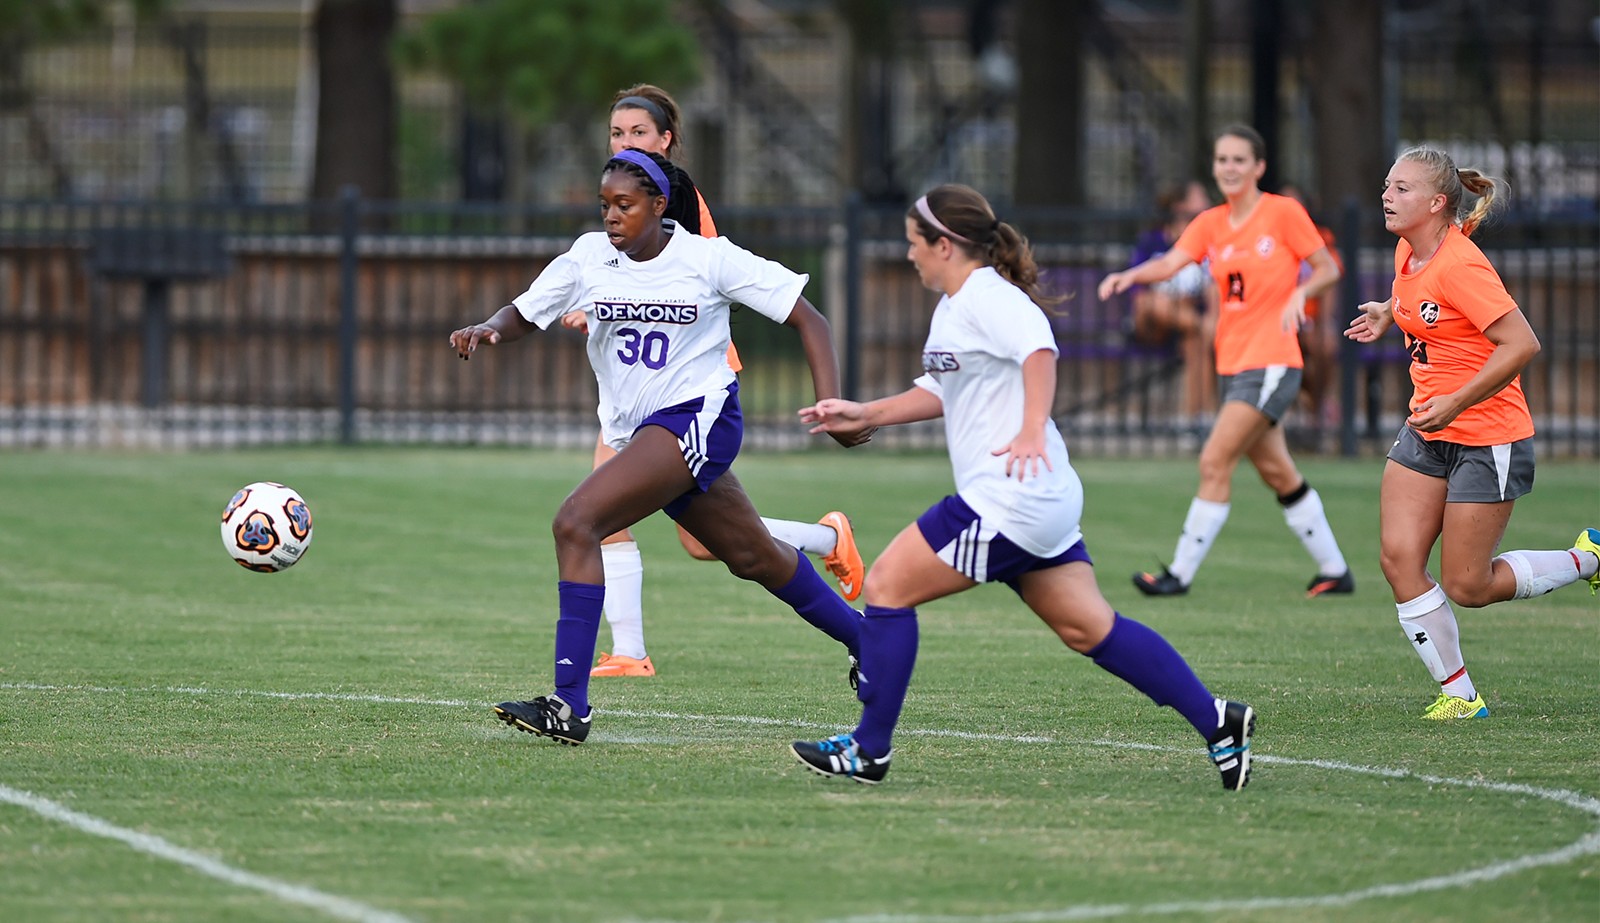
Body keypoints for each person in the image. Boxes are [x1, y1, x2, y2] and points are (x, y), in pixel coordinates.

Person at [791, 184, 1256, 790]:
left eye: (914, 245)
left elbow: (1040, 350)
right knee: (1090, 628)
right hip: (1038, 499)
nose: (910, 256)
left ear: (946, 245)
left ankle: (868, 749)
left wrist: (1033, 425)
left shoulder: (988, 297)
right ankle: (1219, 721)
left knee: (885, 586)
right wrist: (867, 412)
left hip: (1008, 497)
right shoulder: (955, 305)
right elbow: (941, 389)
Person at [450, 149, 867, 745]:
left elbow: (811, 319)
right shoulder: (590, 256)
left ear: (659, 205)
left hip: (699, 417)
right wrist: (489, 328)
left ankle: (569, 708)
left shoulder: (707, 259)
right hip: (644, 433)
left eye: (625, 205)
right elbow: (525, 310)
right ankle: (867, 640)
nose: (612, 217)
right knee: (754, 557)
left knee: (576, 522)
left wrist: (832, 405)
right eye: (605, 205)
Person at [574, 85, 865, 680]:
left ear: (666, 141)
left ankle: (629, 652)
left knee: (594, 510)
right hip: (647, 388)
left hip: (690, 384)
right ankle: (825, 542)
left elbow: (693, 281)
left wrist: (612, 303)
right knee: (709, 543)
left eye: (638, 133)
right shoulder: (622, 192)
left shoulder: (670, 195)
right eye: (616, 134)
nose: (626, 142)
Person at [1344, 147, 1599, 720]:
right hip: (1426, 428)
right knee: (1398, 559)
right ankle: (1460, 695)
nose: (1388, 195)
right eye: (1388, 184)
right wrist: (1390, 310)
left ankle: (1588, 559)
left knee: (1469, 584)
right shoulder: (1409, 247)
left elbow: (1522, 343)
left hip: (1488, 436)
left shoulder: (1463, 263)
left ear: (1436, 203)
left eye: (1402, 189)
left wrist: (1457, 399)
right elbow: (1424, 301)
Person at [1097, 125, 1354, 598]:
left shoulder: (1282, 212)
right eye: (1221, 160)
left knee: (1214, 459)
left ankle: (1179, 574)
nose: (1229, 169)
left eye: (1239, 160)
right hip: (1234, 366)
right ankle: (1335, 571)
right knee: (1278, 472)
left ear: (1259, 167)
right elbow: (1172, 264)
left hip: (1272, 361)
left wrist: (1301, 291)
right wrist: (1129, 275)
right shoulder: (1211, 222)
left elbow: (1328, 268)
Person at [1126, 180, 1216, 427]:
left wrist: (1211, 318)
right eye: (1200, 197)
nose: (1207, 203)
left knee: (1195, 343)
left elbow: (1212, 289)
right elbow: (1139, 295)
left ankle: (1196, 420)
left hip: (1185, 323)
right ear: (1180, 206)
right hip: (1151, 321)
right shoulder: (1152, 241)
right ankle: (1201, 326)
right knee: (1155, 301)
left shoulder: (1206, 243)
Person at [1277, 182, 1342, 435]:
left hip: (1311, 317)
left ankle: (1317, 410)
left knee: (1324, 343)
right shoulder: (1268, 240)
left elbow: (1330, 279)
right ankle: (1299, 405)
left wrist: (1322, 322)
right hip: (1277, 318)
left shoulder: (1320, 239)